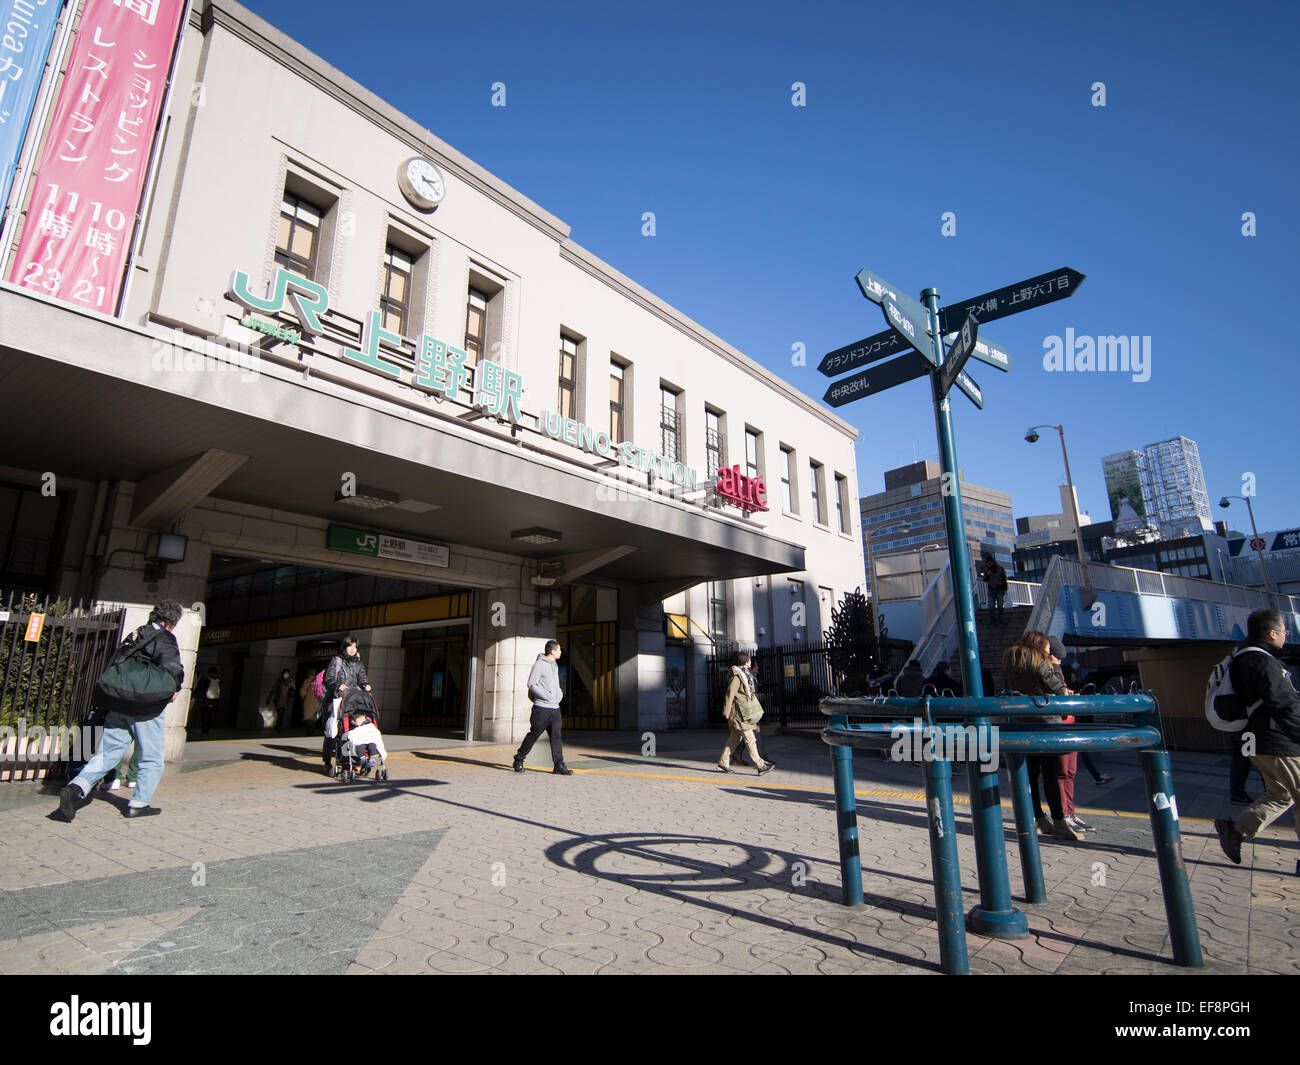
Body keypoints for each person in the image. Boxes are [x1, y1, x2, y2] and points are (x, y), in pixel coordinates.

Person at [58, 600, 186, 821]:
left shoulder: (136, 634)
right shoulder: (165, 637)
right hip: (146, 706)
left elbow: (116, 662)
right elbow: (173, 667)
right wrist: (175, 687)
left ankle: (77, 787)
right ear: (171, 621)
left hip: (120, 702)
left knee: (108, 753)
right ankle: (139, 803)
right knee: (152, 756)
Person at [1215, 609, 1300, 873]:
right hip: (1276, 741)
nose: (1285, 635)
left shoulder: (1239, 657)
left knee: (1281, 793)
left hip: (1252, 740)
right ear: (1272, 633)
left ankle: (1237, 829)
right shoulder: (1262, 661)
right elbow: (1284, 703)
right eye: (1284, 631)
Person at [1002, 630, 1083, 841]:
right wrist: (1055, 665)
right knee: (1050, 774)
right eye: (1047, 649)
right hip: (1046, 724)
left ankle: (1038, 818)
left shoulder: (1011, 659)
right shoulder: (1039, 661)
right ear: (1038, 646)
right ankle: (1058, 821)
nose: (1049, 652)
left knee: (1031, 775)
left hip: (1022, 723)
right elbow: (1057, 689)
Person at [513, 640, 573, 775]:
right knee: (534, 735)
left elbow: (554, 684)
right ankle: (519, 758)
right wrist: (546, 696)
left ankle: (559, 765)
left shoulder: (554, 665)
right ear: (552, 651)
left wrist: (559, 694)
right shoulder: (540, 664)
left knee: (556, 737)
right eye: (559, 650)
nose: (561, 652)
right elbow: (531, 683)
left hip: (555, 708)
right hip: (542, 709)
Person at [716, 650, 774, 775]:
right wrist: (726, 710)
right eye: (750, 660)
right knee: (750, 738)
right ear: (746, 662)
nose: (751, 662)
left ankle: (723, 762)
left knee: (735, 738)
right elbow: (730, 693)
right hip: (739, 712)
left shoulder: (744, 674)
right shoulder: (737, 676)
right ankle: (760, 764)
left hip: (743, 710)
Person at [322, 636, 371, 774]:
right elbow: (329, 678)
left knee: (351, 730)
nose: (352, 649)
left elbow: (362, 678)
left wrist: (365, 685)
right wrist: (338, 685)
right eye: (350, 646)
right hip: (337, 700)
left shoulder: (358, 664)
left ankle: (350, 760)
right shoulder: (337, 661)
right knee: (332, 731)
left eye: (355, 647)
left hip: (352, 700)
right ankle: (327, 761)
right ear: (344, 647)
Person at [981, 556, 1008, 627]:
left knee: (1000, 606)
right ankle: (993, 622)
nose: (989, 564)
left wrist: (1005, 589)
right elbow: (985, 579)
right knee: (991, 607)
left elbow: (1004, 579)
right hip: (991, 589)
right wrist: (987, 574)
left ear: (992, 562)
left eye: (990, 562)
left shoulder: (1000, 569)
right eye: (987, 562)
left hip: (999, 589)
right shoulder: (987, 570)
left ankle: (1000, 622)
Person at [266, 668, 295, 733]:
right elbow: (273, 690)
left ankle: (278, 726)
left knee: (281, 714)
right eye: (285, 673)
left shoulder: (290, 681)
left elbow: (294, 690)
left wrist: (292, 688)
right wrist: (269, 698)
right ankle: (279, 727)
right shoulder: (279, 681)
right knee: (280, 713)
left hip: (286, 700)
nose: (286, 675)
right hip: (279, 700)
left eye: (287, 673)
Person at [195, 665, 220, 734]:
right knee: (209, 713)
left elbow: (202, 688)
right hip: (214, 698)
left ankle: (204, 728)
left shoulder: (207, 678)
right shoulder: (218, 679)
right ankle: (208, 727)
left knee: (203, 713)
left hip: (206, 698)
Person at [299, 668, 322, 734]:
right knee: (314, 715)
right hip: (317, 701)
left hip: (308, 701)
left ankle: (310, 729)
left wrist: (303, 697)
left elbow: (303, 692)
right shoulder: (319, 681)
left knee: (308, 715)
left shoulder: (307, 681)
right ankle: (312, 728)